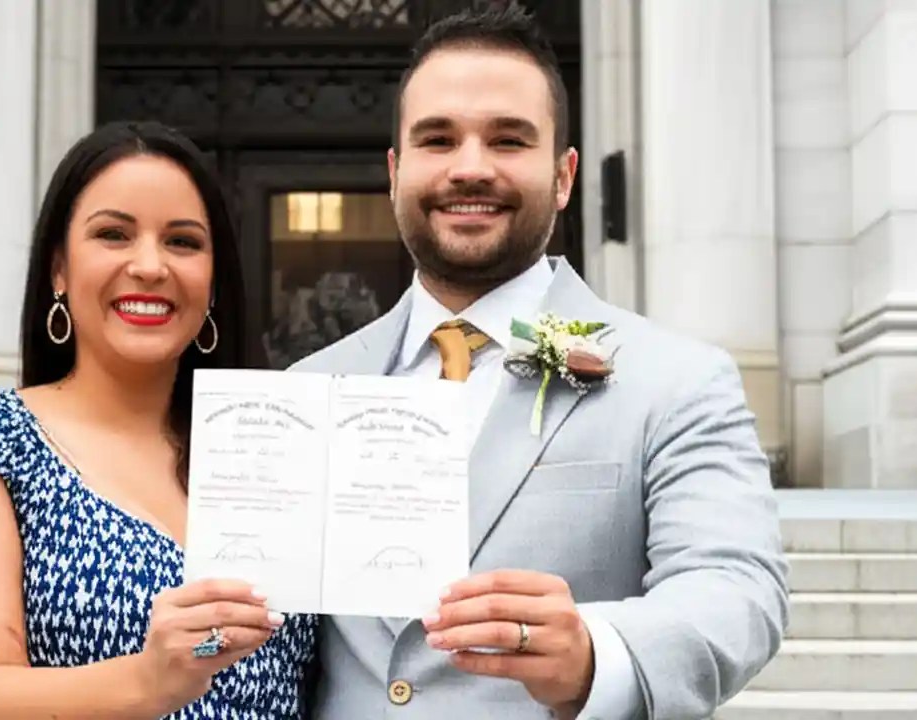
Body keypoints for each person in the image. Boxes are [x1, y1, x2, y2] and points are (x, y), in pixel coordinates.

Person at [292, 5, 789, 719]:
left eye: (507, 140)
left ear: (563, 176)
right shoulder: (308, 388)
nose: (470, 167)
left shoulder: (679, 381)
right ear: (395, 171)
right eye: (438, 139)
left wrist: (595, 652)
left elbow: (737, 590)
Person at [0, 121, 316, 719]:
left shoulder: (268, 452)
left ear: (214, 283)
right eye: (113, 234)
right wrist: (149, 680)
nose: (149, 266)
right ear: (59, 270)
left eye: (183, 242)